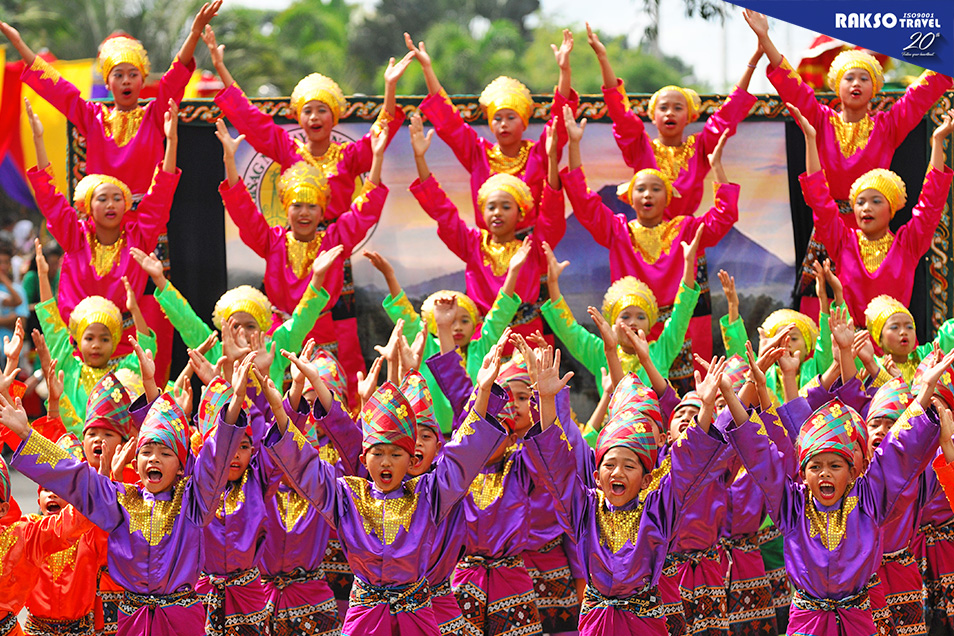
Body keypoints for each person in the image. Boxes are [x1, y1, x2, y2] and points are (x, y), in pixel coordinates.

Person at [3, 355, 257, 636]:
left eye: (165, 453)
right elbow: (74, 476)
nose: (154, 460)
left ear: (181, 465)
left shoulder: (193, 502)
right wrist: (27, 433)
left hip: (181, 622)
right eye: (146, 452)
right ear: (135, 461)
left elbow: (216, 461)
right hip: (132, 621)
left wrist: (234, 404)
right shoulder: (120, 499)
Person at [262, 358, 511, 635]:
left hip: (417, 615)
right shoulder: (347, 496)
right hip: (364, 617)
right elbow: (305, 466)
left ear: (411, 458)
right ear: (363, 458)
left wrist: (484, 393)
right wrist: (280, 408)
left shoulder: (428, 494)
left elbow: (462, 456)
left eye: (396, 455)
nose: (386, 463)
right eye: (378, 454)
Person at [721, 341, 954, 636]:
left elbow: (898, 450)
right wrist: (732, 396)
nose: (824, 474)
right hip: (808, 621)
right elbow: (761, 458)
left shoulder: (869, 498)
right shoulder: (791, 504)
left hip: (858, 618)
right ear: (802, 472)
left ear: (853, 469)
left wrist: (924, 393)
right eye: (815, 466)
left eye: (835, 465)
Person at [742, 9, 954, 316]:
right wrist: (765, 37)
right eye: (848, 77)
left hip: (873, 225)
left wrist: (945, 47)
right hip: (829, 226)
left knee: (880, 301)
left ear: (874, 88)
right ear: (836, 86)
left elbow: (921, 92)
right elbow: (791, 85)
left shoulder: (887, 126)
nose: (856, 83)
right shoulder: (820, 119)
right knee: (821, 306)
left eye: (864, 78)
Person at [562, 106, 737, 391]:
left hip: (674, 333)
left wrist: (716, 166)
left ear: (668, 198)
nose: (647, 194)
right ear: (629, 197)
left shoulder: (685, 228)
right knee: (629, 400)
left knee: (683, 404)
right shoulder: (618, 231)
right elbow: (582, 201)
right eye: (641, 188)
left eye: (656, 188)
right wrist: (574, 145)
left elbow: (723, 217)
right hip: (631, 330)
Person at [216, 119, 390, 400]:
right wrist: (229, 160)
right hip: (279, 337)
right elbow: (243, 213)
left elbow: (365, 210)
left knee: (325, 406)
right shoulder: (272, 241)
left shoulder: (334, 241)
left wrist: (378, 158)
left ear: (323, 213)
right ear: (286, 208)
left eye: (313, 206)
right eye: (297, 205)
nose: (304, 213)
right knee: (275, 407)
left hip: (322, 337)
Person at [0, 2, 221, 199]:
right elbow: (55, 87)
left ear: (143, 82)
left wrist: (194, 33)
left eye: (133, 75)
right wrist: (21, 46)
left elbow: (176, 76)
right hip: (101, 228)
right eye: (118, 75)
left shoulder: (155, 115)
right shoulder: (92, 117)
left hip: (147, 224)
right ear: (108, 83)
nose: (126, 81)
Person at [24, 95, 180, 360]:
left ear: (126, 205)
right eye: (102, 198)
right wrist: (39, 139)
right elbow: (49, 197)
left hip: (128, 347)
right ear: (88, 205)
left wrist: (172, 141)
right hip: (78, 349)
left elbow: (162, 191)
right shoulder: (75, 237)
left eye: (117, 198)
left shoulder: (139, 237)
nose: (111, 204)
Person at [792, 104, 954, 327]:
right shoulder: (843, 243)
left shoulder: (907, 245)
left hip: (898, 352)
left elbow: (930, 204)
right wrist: (811, 140)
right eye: (860, 202)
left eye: (876, 201)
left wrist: (937, 142)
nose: (866, 208)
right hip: (853, 351)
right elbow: (820, 201)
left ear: (892, 209)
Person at [409, 113, 565, 342]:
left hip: (528, 342)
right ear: (482, 212)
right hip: (483, 343)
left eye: (505, 207)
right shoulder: (472, 244)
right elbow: (442, 211)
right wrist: (420, 158)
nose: (497, 213)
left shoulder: (533, 248)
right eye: (491, 207)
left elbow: (551, 213)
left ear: (520, 213)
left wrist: (552, 159)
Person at [405, 29, 578, 229]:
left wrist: (565, 71)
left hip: (533, 245)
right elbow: (451, 125)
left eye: (511, 117)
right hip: (486, 249)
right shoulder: (479, 155)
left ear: (524, 122)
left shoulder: (539, 155)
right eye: (497, 118)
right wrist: (427, 68)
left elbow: (559, 122)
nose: (503, 124)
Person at [585, 23, 760, 221]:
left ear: (690, 116)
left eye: (678, 108)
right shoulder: (641, 148)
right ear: (653, 116)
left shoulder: (700, 149)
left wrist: (753, 62)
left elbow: (727, 114)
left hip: (685, 239)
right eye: (663, 108)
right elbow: (619, 112)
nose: (670, 113)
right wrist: (602, 58)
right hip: (645, 236)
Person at [366, 244, 529, 433]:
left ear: (475, 324)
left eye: (464, 320)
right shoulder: (425, 348)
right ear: (436, 325)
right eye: (449, 322)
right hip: (429, 439)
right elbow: (406, 315)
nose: (457, 327)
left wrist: (513, 271)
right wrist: (389, 276)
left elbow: (499, 315)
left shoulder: (483, 349)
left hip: (474, 436)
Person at [132, 243, 339, 388]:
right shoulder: (215, 350)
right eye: (234, 326)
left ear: (263, 328)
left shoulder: (274, 349)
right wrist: (159, 280)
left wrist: (318, 277)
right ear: (223, 329)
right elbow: (187, 321)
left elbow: (302, 320)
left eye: (250, 326)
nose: (242, 332)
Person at [33, 239, 156, 435]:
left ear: (115, 343)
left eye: (104, 339)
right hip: (73, 458)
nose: (96, 345)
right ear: (78, 341)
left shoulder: (121, 375)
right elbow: (52, 325)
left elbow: (147, 348)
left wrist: (134, 310)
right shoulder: (70, 370)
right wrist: (42, 275)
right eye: (89, 338)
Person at [0, 452, 95, 636]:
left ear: (3, 509)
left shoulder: (22, 536)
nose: (53, 494)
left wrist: (98, 479)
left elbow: (71, 523)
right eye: (47, 488)